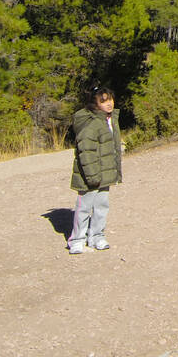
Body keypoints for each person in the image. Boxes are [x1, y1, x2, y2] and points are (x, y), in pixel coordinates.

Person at [67, 83, 123, 254]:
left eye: (110, 100)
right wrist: (92, 176)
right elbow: (86, 151)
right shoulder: (90, 123)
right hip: (90, 175)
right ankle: (77, 239)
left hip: (104, 174)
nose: (109, 104)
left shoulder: (110, 119)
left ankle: (97, 236)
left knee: (101, 206)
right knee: (83, 207)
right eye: (103, 101)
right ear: (95, 103)